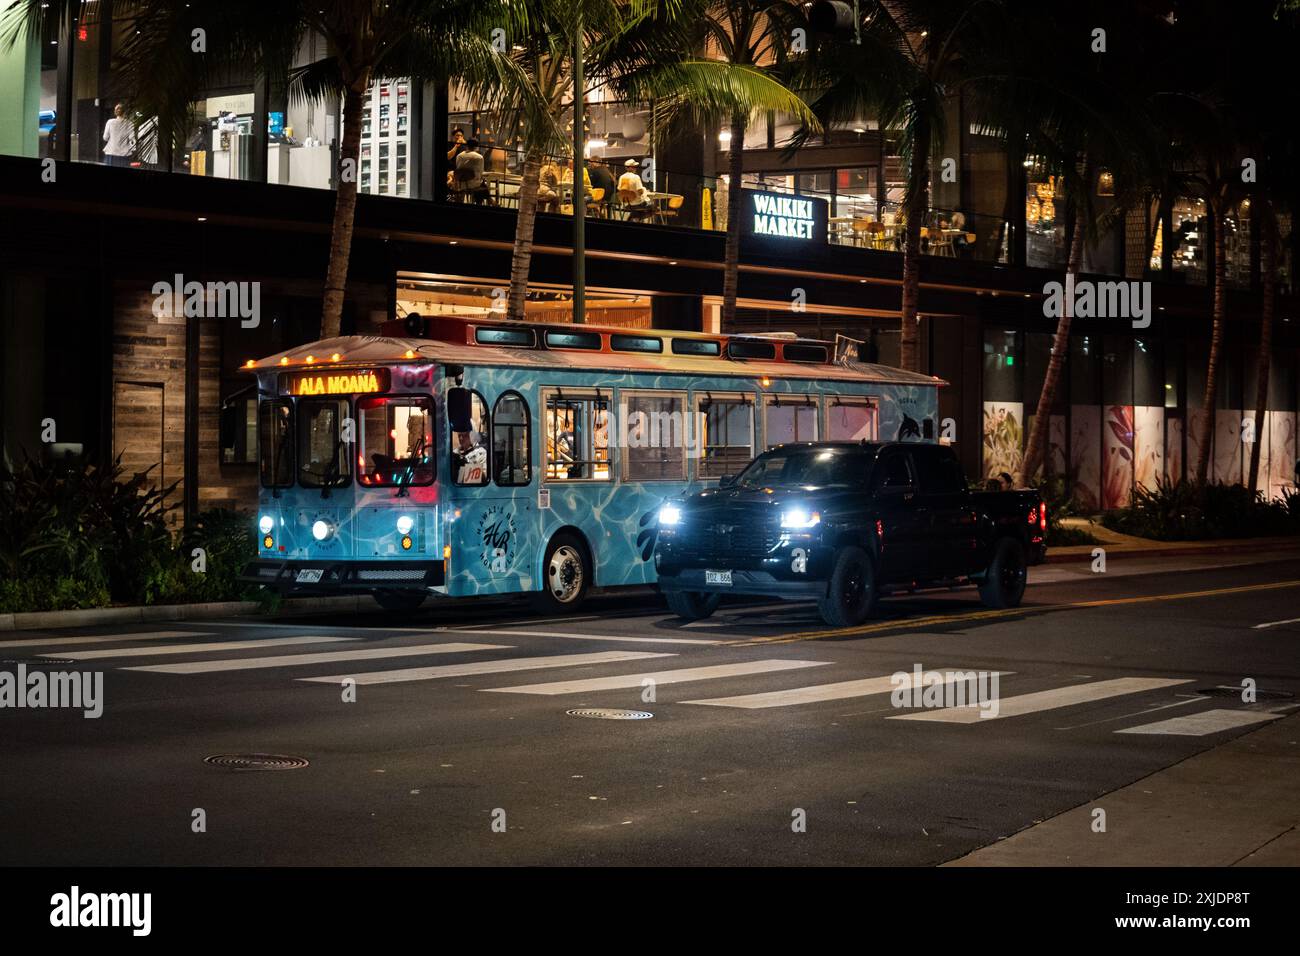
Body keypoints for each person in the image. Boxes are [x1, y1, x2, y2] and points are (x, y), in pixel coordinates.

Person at [452, 138, 487, 204]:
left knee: (482, 185)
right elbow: (480, 172)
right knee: (483, 185)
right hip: (473, 184)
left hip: (460, 184)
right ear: (476, 147)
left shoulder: (459, 156)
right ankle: (481, 205)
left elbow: (458, 169)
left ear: (466, 146)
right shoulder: (479, 157)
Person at [103, 103, 135, 168]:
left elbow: (105, 138)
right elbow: (132, 139)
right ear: (125, 112)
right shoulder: (130, 123)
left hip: (111, 152)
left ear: (115, 112)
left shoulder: (110, 122)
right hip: (124, 154)